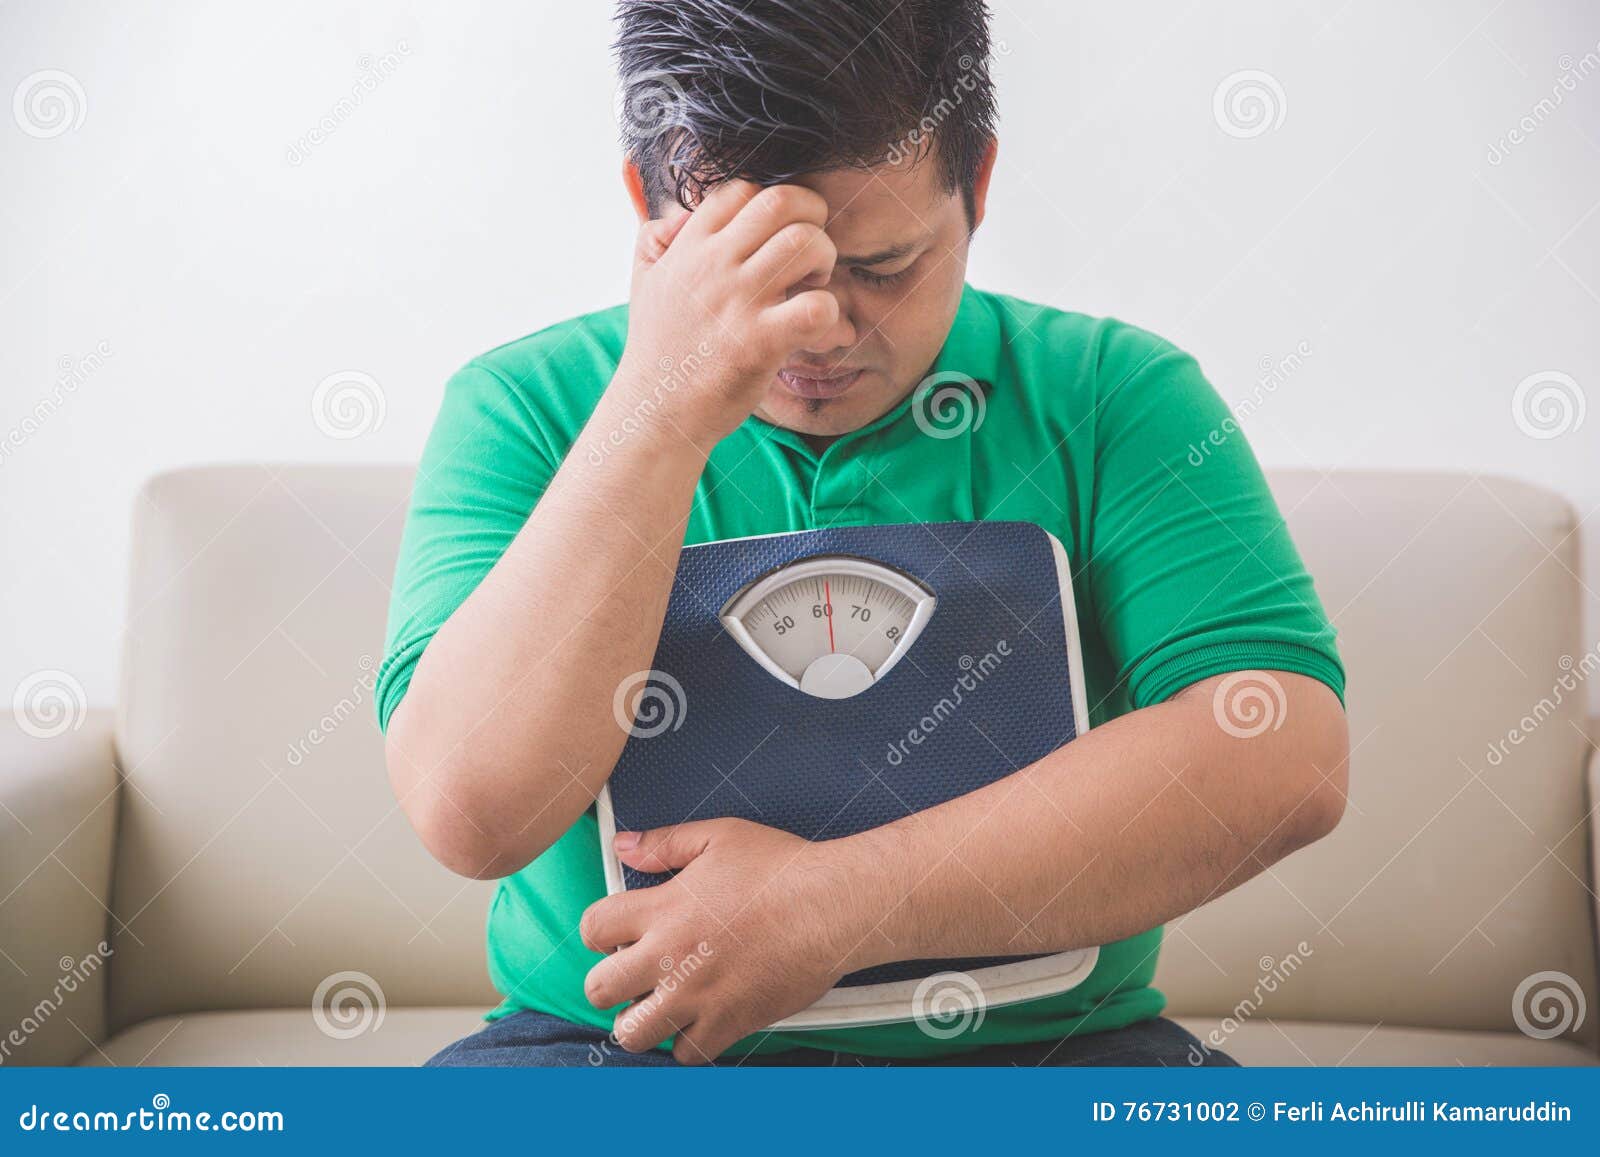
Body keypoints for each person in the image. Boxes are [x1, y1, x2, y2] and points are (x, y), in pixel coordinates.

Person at [378, 0, 1348, 1067]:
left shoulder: (1112, 394)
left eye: (881, 268)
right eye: (758, 272)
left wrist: (835, 905)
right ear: (646, 208)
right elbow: (471, 813)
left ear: (977, 185)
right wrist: (661, 407)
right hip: (603, 1057)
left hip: (1060, 1059)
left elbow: (1283, 752)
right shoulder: (524, 407)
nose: (821, 332)